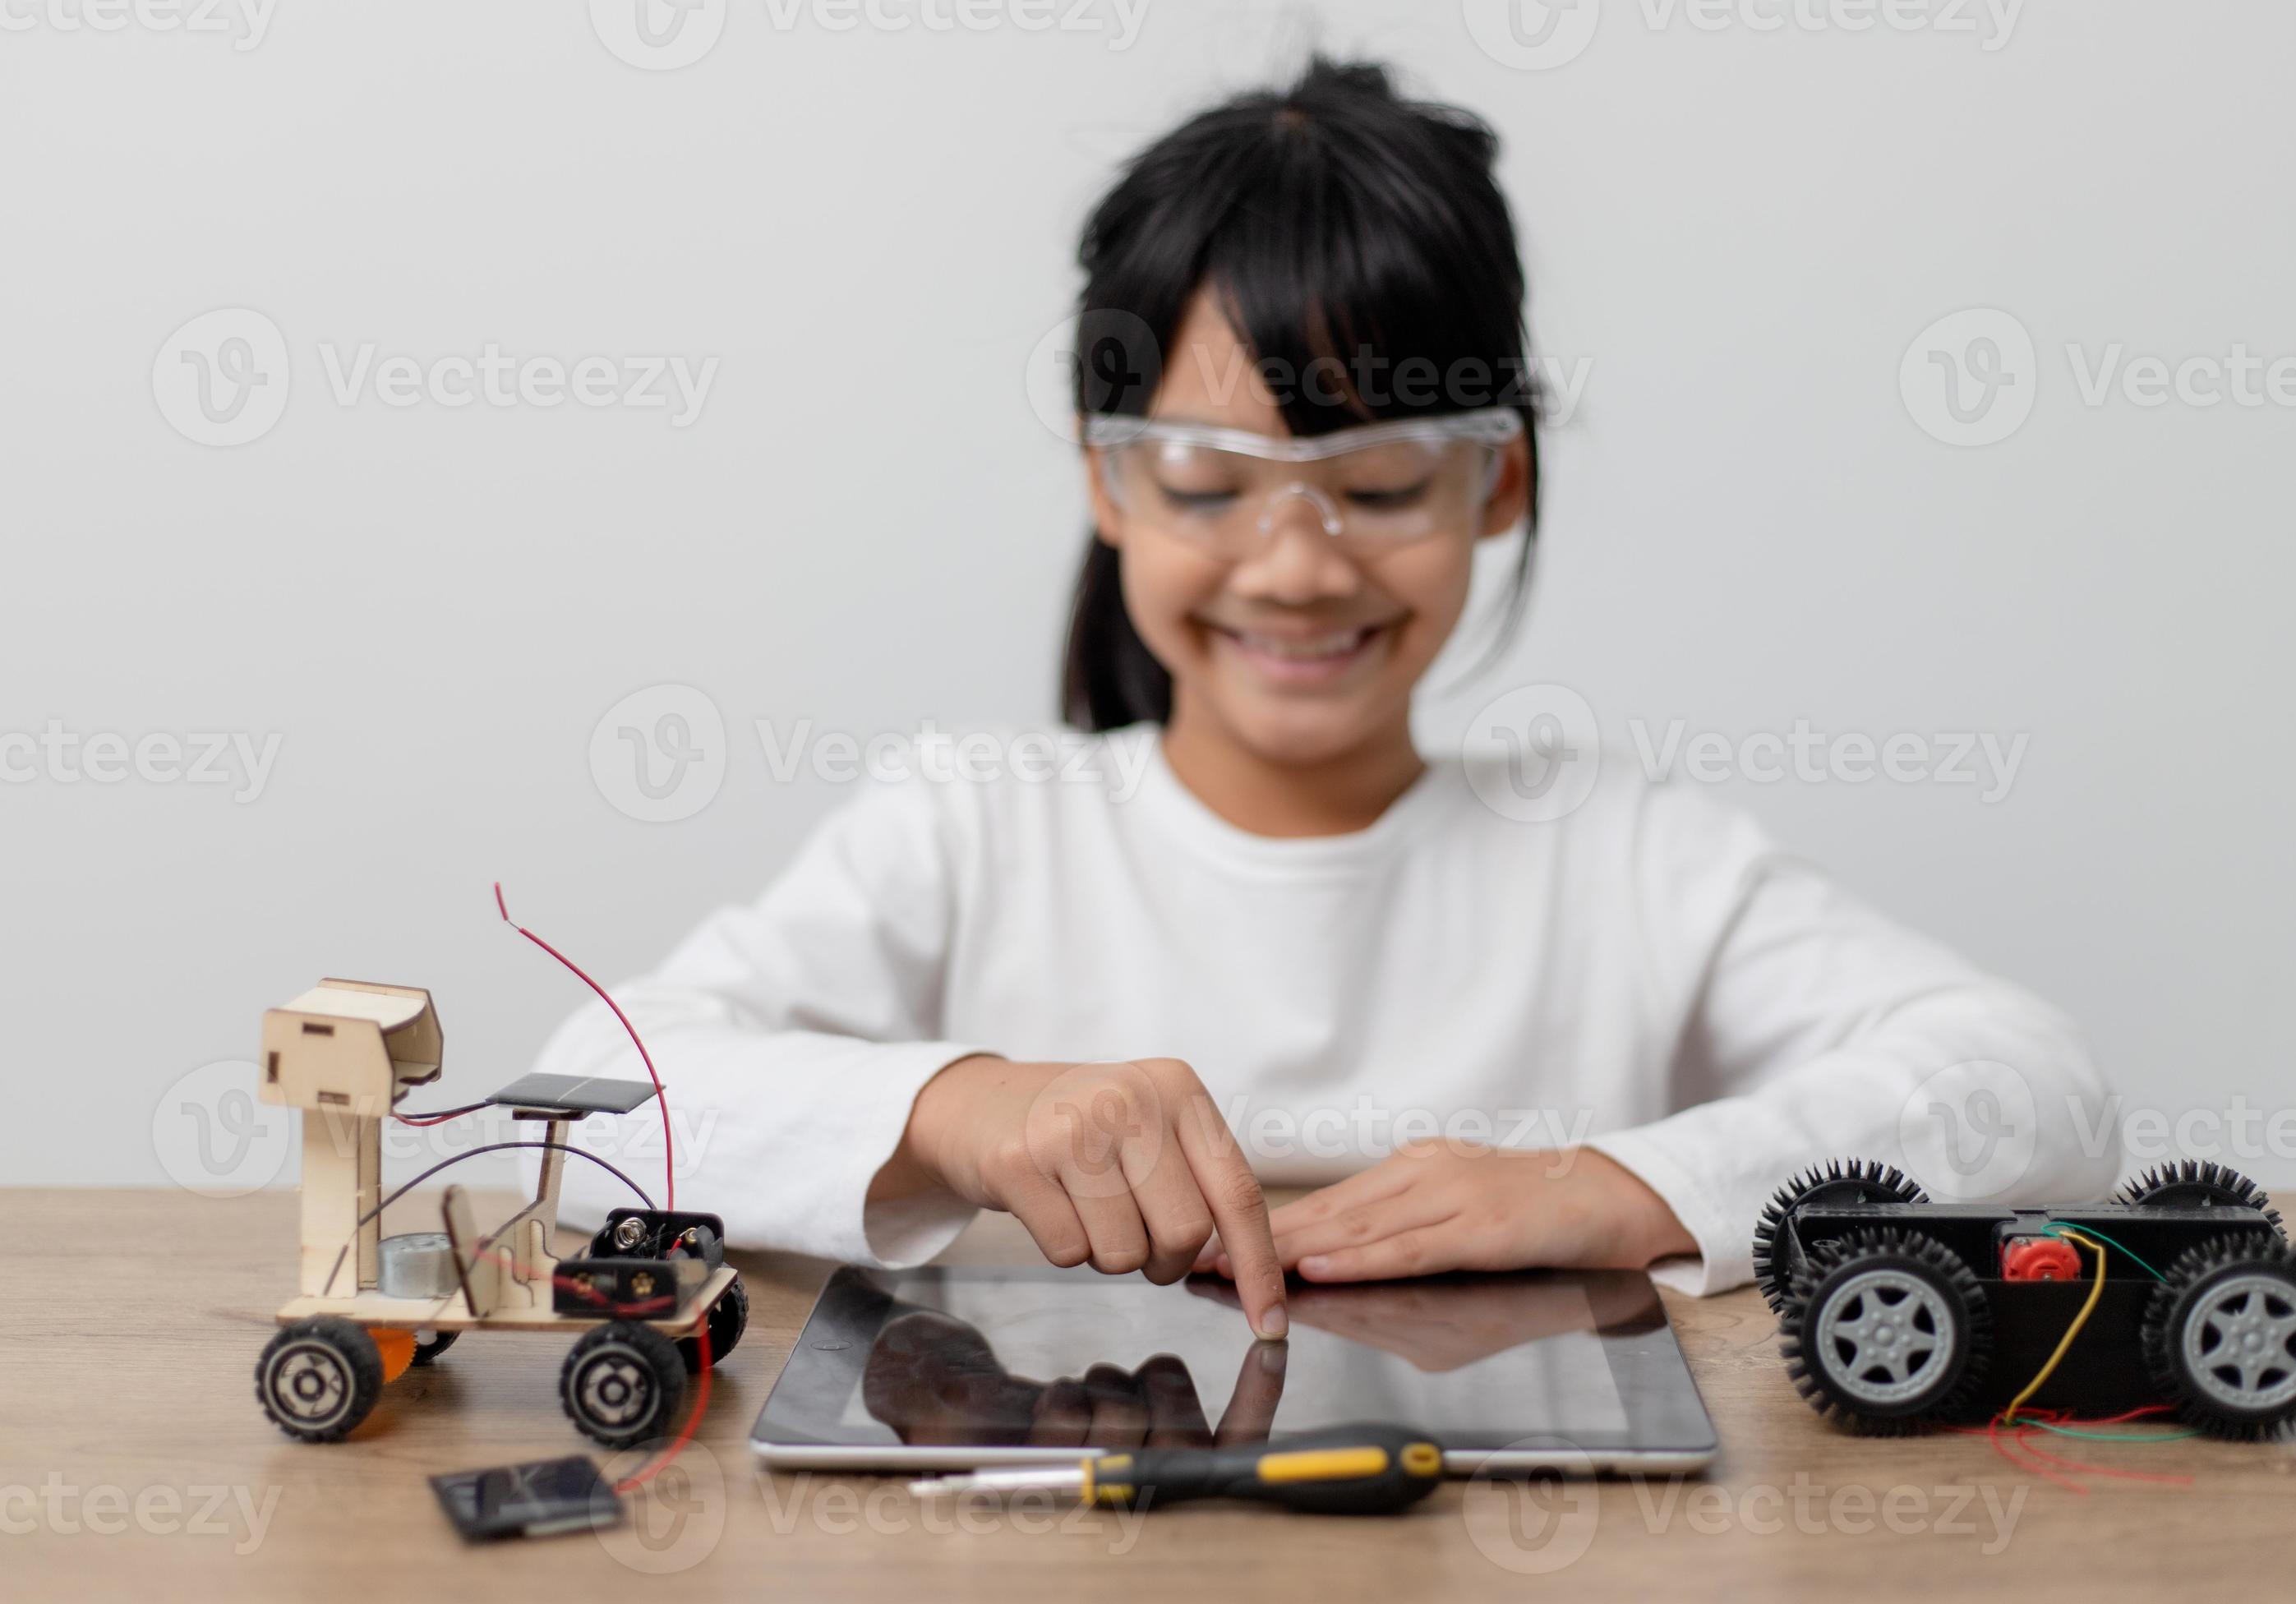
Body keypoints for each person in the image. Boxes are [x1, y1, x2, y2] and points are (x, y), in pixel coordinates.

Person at [537, 58, 2114, 1344]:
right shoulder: (973, 822)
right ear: (1110, 483)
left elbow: (2037, 1089)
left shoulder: (1620, 849)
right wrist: (961, 1104)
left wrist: (1621, 1184)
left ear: (1496, 483)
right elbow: (587, 1097)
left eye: (1376, 483)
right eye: (1213, 488)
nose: (1297, 569)